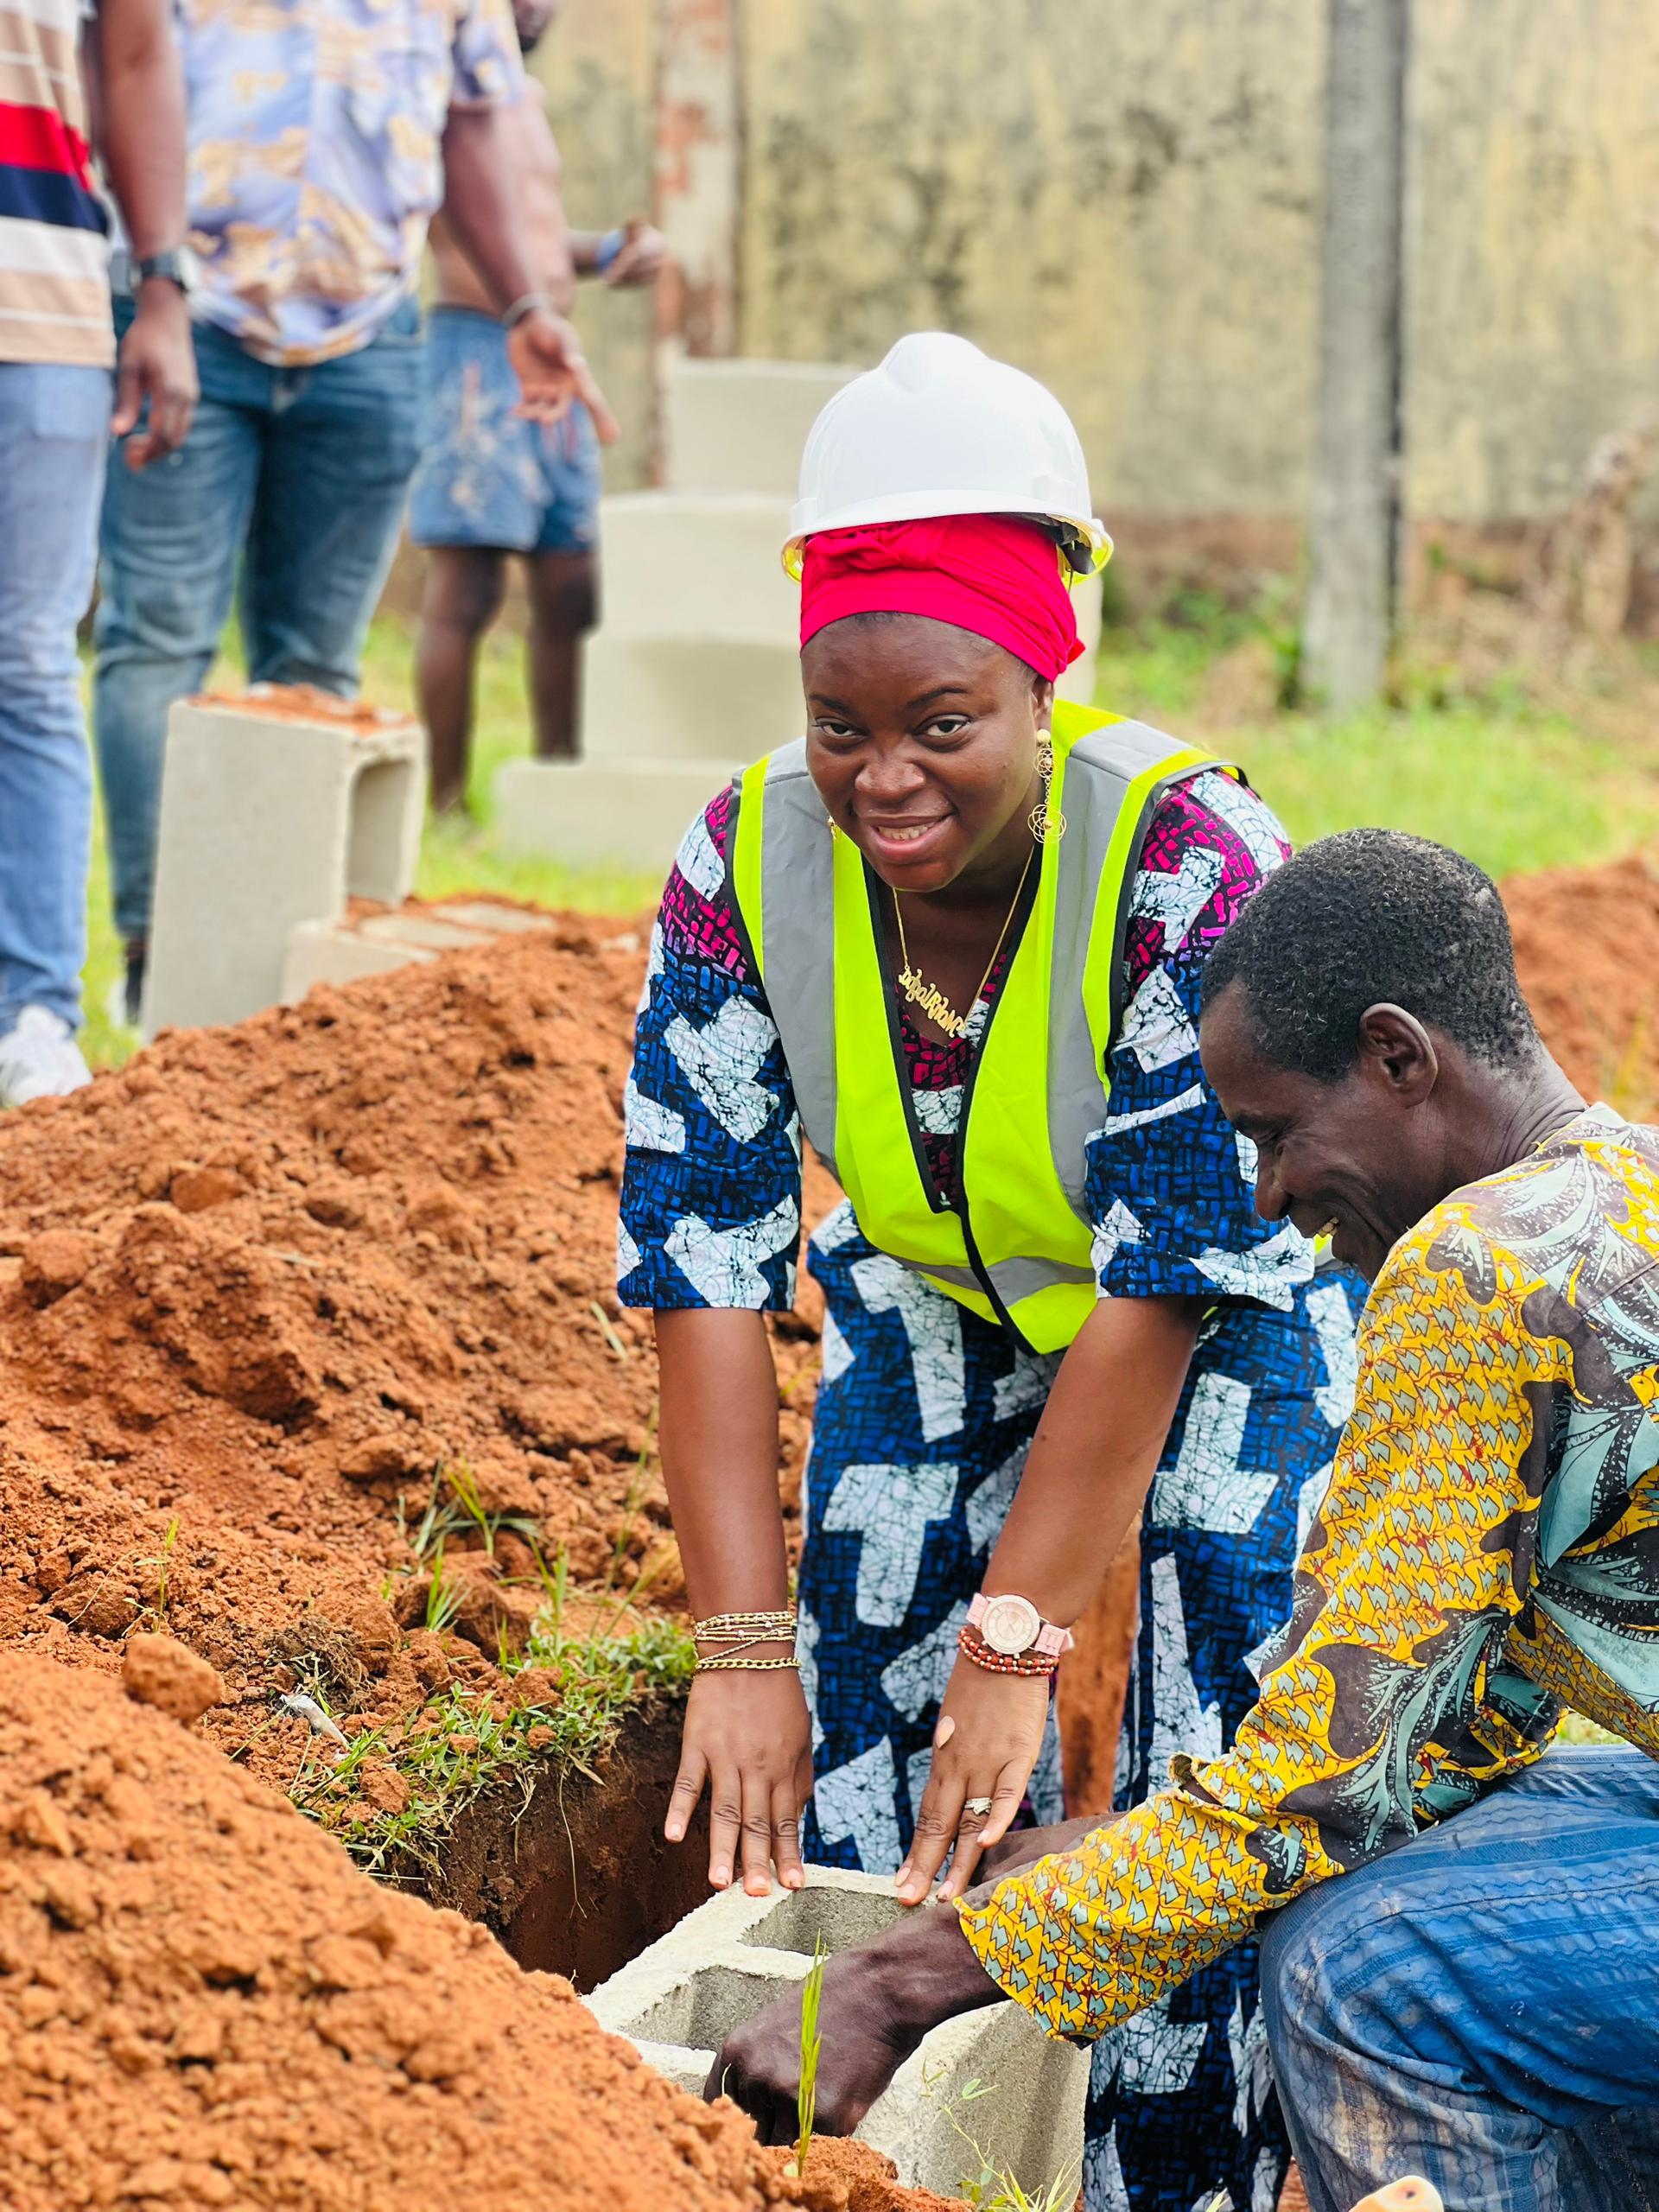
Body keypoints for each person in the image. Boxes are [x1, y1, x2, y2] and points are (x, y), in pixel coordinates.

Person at [618, 333, 1365, 2212]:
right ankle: (893, 2168)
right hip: (942, 1307)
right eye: (840, 721)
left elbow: (1165, 1281)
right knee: (876, 1777)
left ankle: (1174, 2170)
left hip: (1221, 1310)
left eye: (942, 721)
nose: (885, 778)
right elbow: (702, 1258)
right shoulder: (739, 863)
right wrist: (739, 1646)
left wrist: (1028, 1637)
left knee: (1193, 1777)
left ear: (1045, 681)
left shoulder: (1191, 864)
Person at [709, 829, 1659, 2212]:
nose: (1268, 1194)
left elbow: (1322, 1772)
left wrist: (902, 1982)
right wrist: (1126, 1851)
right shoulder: (1619, 1185)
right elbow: (1440, 1729)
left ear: (1400, 1059)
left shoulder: (1485, 1274)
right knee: (1454, 1859)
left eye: (1277, 1134)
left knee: (1374, 1975)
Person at [91, 0, 615, 1025]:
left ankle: (281, 978)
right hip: (188, 311)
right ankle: (161, 957)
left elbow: (467, 119)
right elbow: (131, 58)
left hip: (368, 335)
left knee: (316, 674)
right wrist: (154, 283)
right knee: (159, 642)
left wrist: (525, 306)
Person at [0, 0, 195, 1103]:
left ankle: (32, 1011)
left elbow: (134, 53)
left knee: (26, 661)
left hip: (36, 294)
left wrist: (161, 290)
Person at [411, 0, 667, 815]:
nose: (531, 7)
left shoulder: (529, 100)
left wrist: (611, 253)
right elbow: (465, 220)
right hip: (476, 354)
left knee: (570, 585)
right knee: (471, 589)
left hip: (555, 352)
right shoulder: (437, 88)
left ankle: (558, 786)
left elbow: (536, 235)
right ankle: (445, 802)